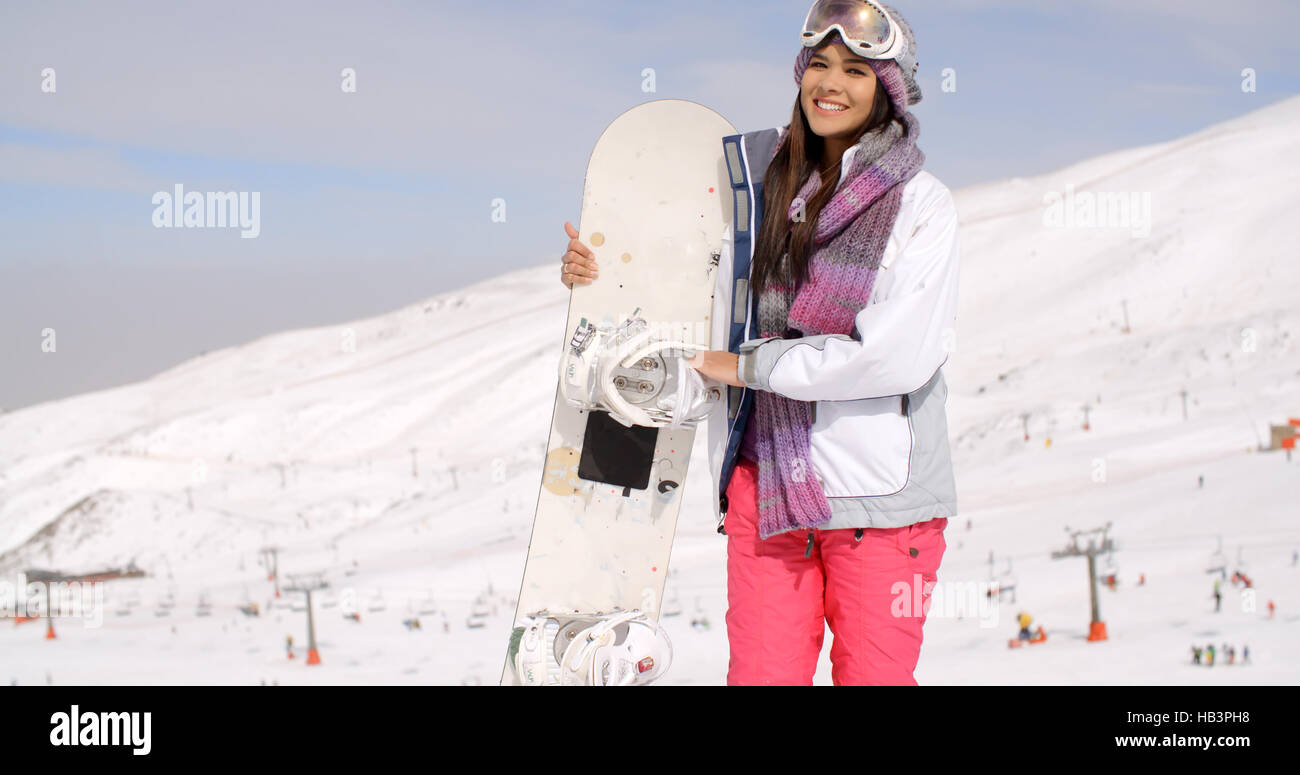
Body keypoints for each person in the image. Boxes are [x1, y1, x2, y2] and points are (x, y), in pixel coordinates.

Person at [560, 1, 958, 685]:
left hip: (881, 503)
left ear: (886, 89)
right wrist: (604, 273)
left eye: (856, 71)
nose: (831, 84)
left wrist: (750, 366)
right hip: (764, 489)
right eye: (821, 65)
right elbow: (690, 310)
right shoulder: (753, 191)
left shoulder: (923, 204)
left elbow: (892, 355)